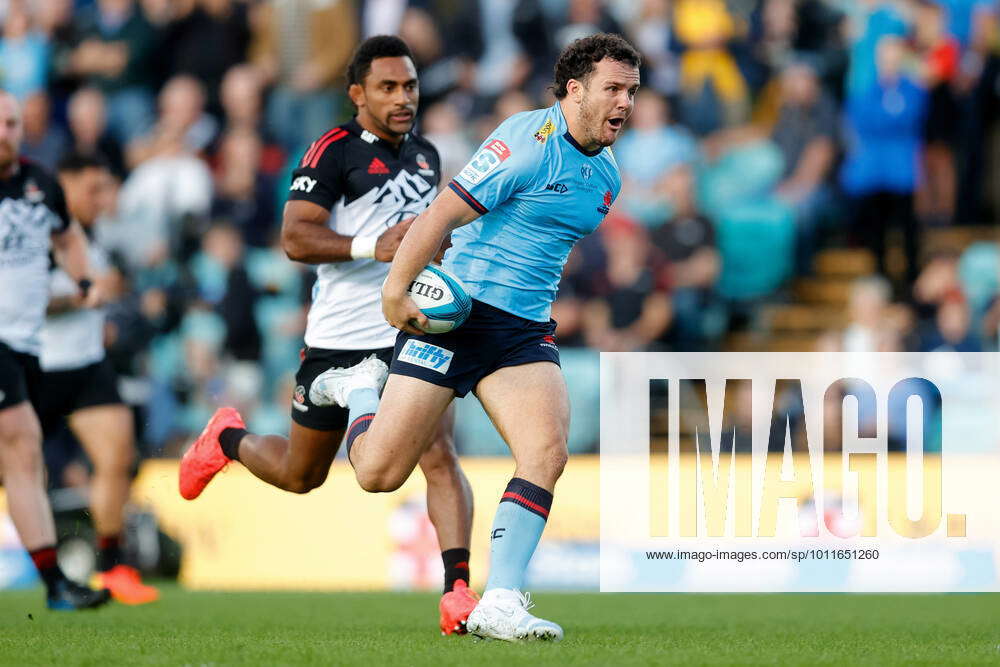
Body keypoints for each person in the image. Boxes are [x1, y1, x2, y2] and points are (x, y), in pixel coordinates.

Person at [314, 33, 641, 641]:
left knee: (546, 452)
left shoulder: (607, 176)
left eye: (632, 91)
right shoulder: (525, 142)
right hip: (459, 316)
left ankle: (502, 600)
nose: (625, 102)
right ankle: (362, 390)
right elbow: (440, 214)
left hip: (521, 332)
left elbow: (540, 247)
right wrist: (396, 292)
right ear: (575, 91)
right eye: (613, 89)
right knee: (377, 474)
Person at [177, 36, 477, 635]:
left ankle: (459, 593)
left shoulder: (425, 156)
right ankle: (227, 438)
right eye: (388, 87)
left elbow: (419, 241)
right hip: (337, 338)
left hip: (405, 329)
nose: (402, 98)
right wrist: (374, 245)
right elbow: (294, 238)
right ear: (357, 93)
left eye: (410, 86)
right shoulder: (332, 150)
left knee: (439, 453)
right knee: (300, 475)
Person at [0, 90, 111, 610]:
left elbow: (66, 238)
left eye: (13, 123)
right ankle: (55, 584)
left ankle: (54, 583)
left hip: (24, 344)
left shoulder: (40, 183)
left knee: (23, 462)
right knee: (22, 445)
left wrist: (84, 278)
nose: (7, 132)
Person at [35, 153, 159, 605]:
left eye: (106, 188)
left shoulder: (94, 237)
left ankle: (112, 568)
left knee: (118, 457)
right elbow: (23, 301)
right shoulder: (37, 234)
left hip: (86, 365)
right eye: (93, 189)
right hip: (37, 367)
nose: (102, 199)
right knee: (20, 469)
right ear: (63, 185)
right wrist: (82, 297)